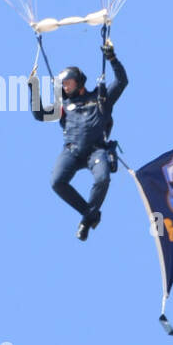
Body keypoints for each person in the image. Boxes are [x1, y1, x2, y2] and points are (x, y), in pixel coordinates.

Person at [28, 39, 128, 240]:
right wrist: (34, 88)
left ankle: (85, 221)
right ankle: (90, 214)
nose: (64, 87)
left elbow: (122, 81)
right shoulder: (63, 106)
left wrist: (112, 58)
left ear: (79, 82)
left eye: (68, 83)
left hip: (97, 151)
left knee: (103, 179)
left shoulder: (101, 99)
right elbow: (39, 115)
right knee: (57, 182)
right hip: (71, 151)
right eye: (62, 85)